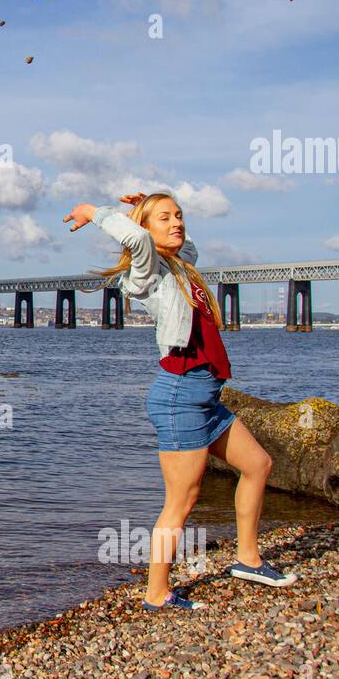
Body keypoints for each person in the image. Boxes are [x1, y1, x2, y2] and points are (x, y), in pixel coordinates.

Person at [64, 193, 297, 611]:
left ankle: (247, 559)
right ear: (146, 230)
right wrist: (95, 214)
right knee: (182, 501)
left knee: (258, 465)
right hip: (180, 395)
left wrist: (152, 202)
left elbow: (184, 244)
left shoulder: (181, 267)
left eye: (179, 216)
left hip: (206, 395)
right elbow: (137, 241)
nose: (177, 223)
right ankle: (156, 593)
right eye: (165, 219)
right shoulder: (147, 271)